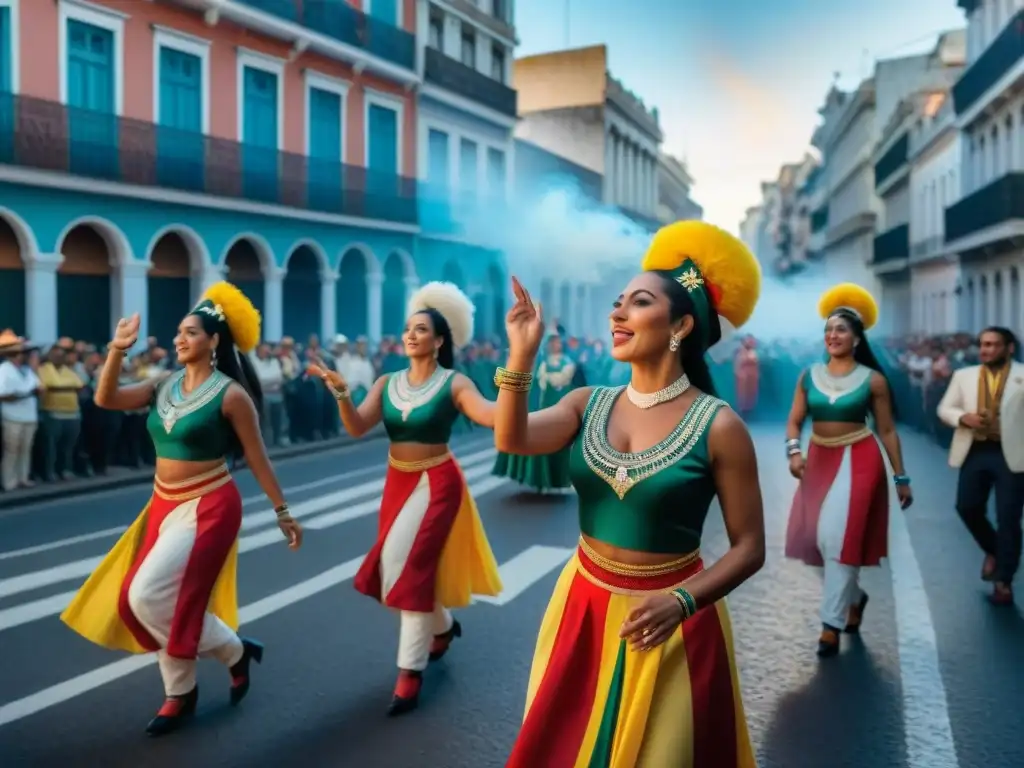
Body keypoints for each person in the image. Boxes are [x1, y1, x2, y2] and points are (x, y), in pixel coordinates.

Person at [498, 221, 765, 767]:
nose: (617, 314)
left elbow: (749, 547)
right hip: (583, 607)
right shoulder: (585, 403)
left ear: (681, 325)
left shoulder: (719, 426)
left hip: (673, 626)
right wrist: (522, 353)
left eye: (638, 303)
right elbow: (513, 437)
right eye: (617, 303)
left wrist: (681, 602)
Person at [60, 282, 303, 736]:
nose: (179, 339)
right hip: (163, 503)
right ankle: (224, 659)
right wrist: (117, 348)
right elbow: (105, 398)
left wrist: (282, 511)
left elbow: (257, 456)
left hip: (210, 504)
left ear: (213, 341)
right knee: (146, 598)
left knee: (150, 594)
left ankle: (191, 685)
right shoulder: (161, 385)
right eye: (178, 332)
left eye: (191, 332)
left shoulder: (231, 396)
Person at [311, 281, 502, 716]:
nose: (411, 335)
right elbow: (358, 426)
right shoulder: (387, 382)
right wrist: (342, 392)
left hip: (438, 483)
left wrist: (516, 371)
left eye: (421, 330)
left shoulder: (454, 383)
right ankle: (444, 627)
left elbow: (491, 416)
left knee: (404, 568)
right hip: (397, 482)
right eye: (408, 329)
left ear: (438, 341)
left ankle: (409, 672)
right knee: (401, 567)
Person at [784, 283, 912, 657]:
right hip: (817, 459)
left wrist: (900, 477)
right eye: (828, 330)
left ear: (856, 338)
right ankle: (853, 596)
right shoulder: (809, 376)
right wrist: (793, 454)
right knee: (814, 538)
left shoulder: (873, 380)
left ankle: (831, 625)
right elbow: (794, 422)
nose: (833, 336)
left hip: (860, 459)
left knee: (839, 537)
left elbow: (887, 430)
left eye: (841, 330)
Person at [937, 326, 1024, 605]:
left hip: (1012, 454)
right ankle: (994, 550)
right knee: (967, 507)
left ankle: (1003, 581)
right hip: (975, 450)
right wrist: (963, 418)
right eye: (983, 344)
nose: (985, 350)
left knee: (1008, 517)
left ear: (1009, 348)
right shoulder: (964, 376)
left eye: (993, 345)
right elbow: (944, 408)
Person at [492, 329, 579, 493]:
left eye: (558, 342)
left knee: (560, 442)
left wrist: (547, 377)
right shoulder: (542, 362)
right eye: (552, 342)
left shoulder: (567, 362)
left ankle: (558, 478)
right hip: (542, 405)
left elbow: (561, 379)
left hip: (561, 407)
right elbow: (534, 381)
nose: (555, 345)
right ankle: (540, 479)